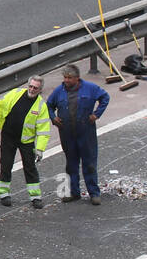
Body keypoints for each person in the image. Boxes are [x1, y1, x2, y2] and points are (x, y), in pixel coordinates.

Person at [46, 64, 109, 205]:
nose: (66, 80)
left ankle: (94, 193)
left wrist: (96, 114)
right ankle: (74, 193)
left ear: (77, 78)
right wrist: (53, 117)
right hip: (67, 133)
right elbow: (49, 105)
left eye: (69, 78)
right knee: (71, 164)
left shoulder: (90, 88)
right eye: (65, 77)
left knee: (89, 163)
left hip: (86, 132)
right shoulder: (59, 91)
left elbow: (105, 97)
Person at [0, 75, 51, 208]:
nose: (32, 89)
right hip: (8, 137)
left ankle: (35, 196)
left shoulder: (41, 106)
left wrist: (40, 149)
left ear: (40, 90)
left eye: (35, 88)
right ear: (27, 85)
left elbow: (43, 130)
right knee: (6, 164)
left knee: (30, 167)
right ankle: (3, 193)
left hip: (26, 141)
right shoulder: (14, 94)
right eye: (30, 86)